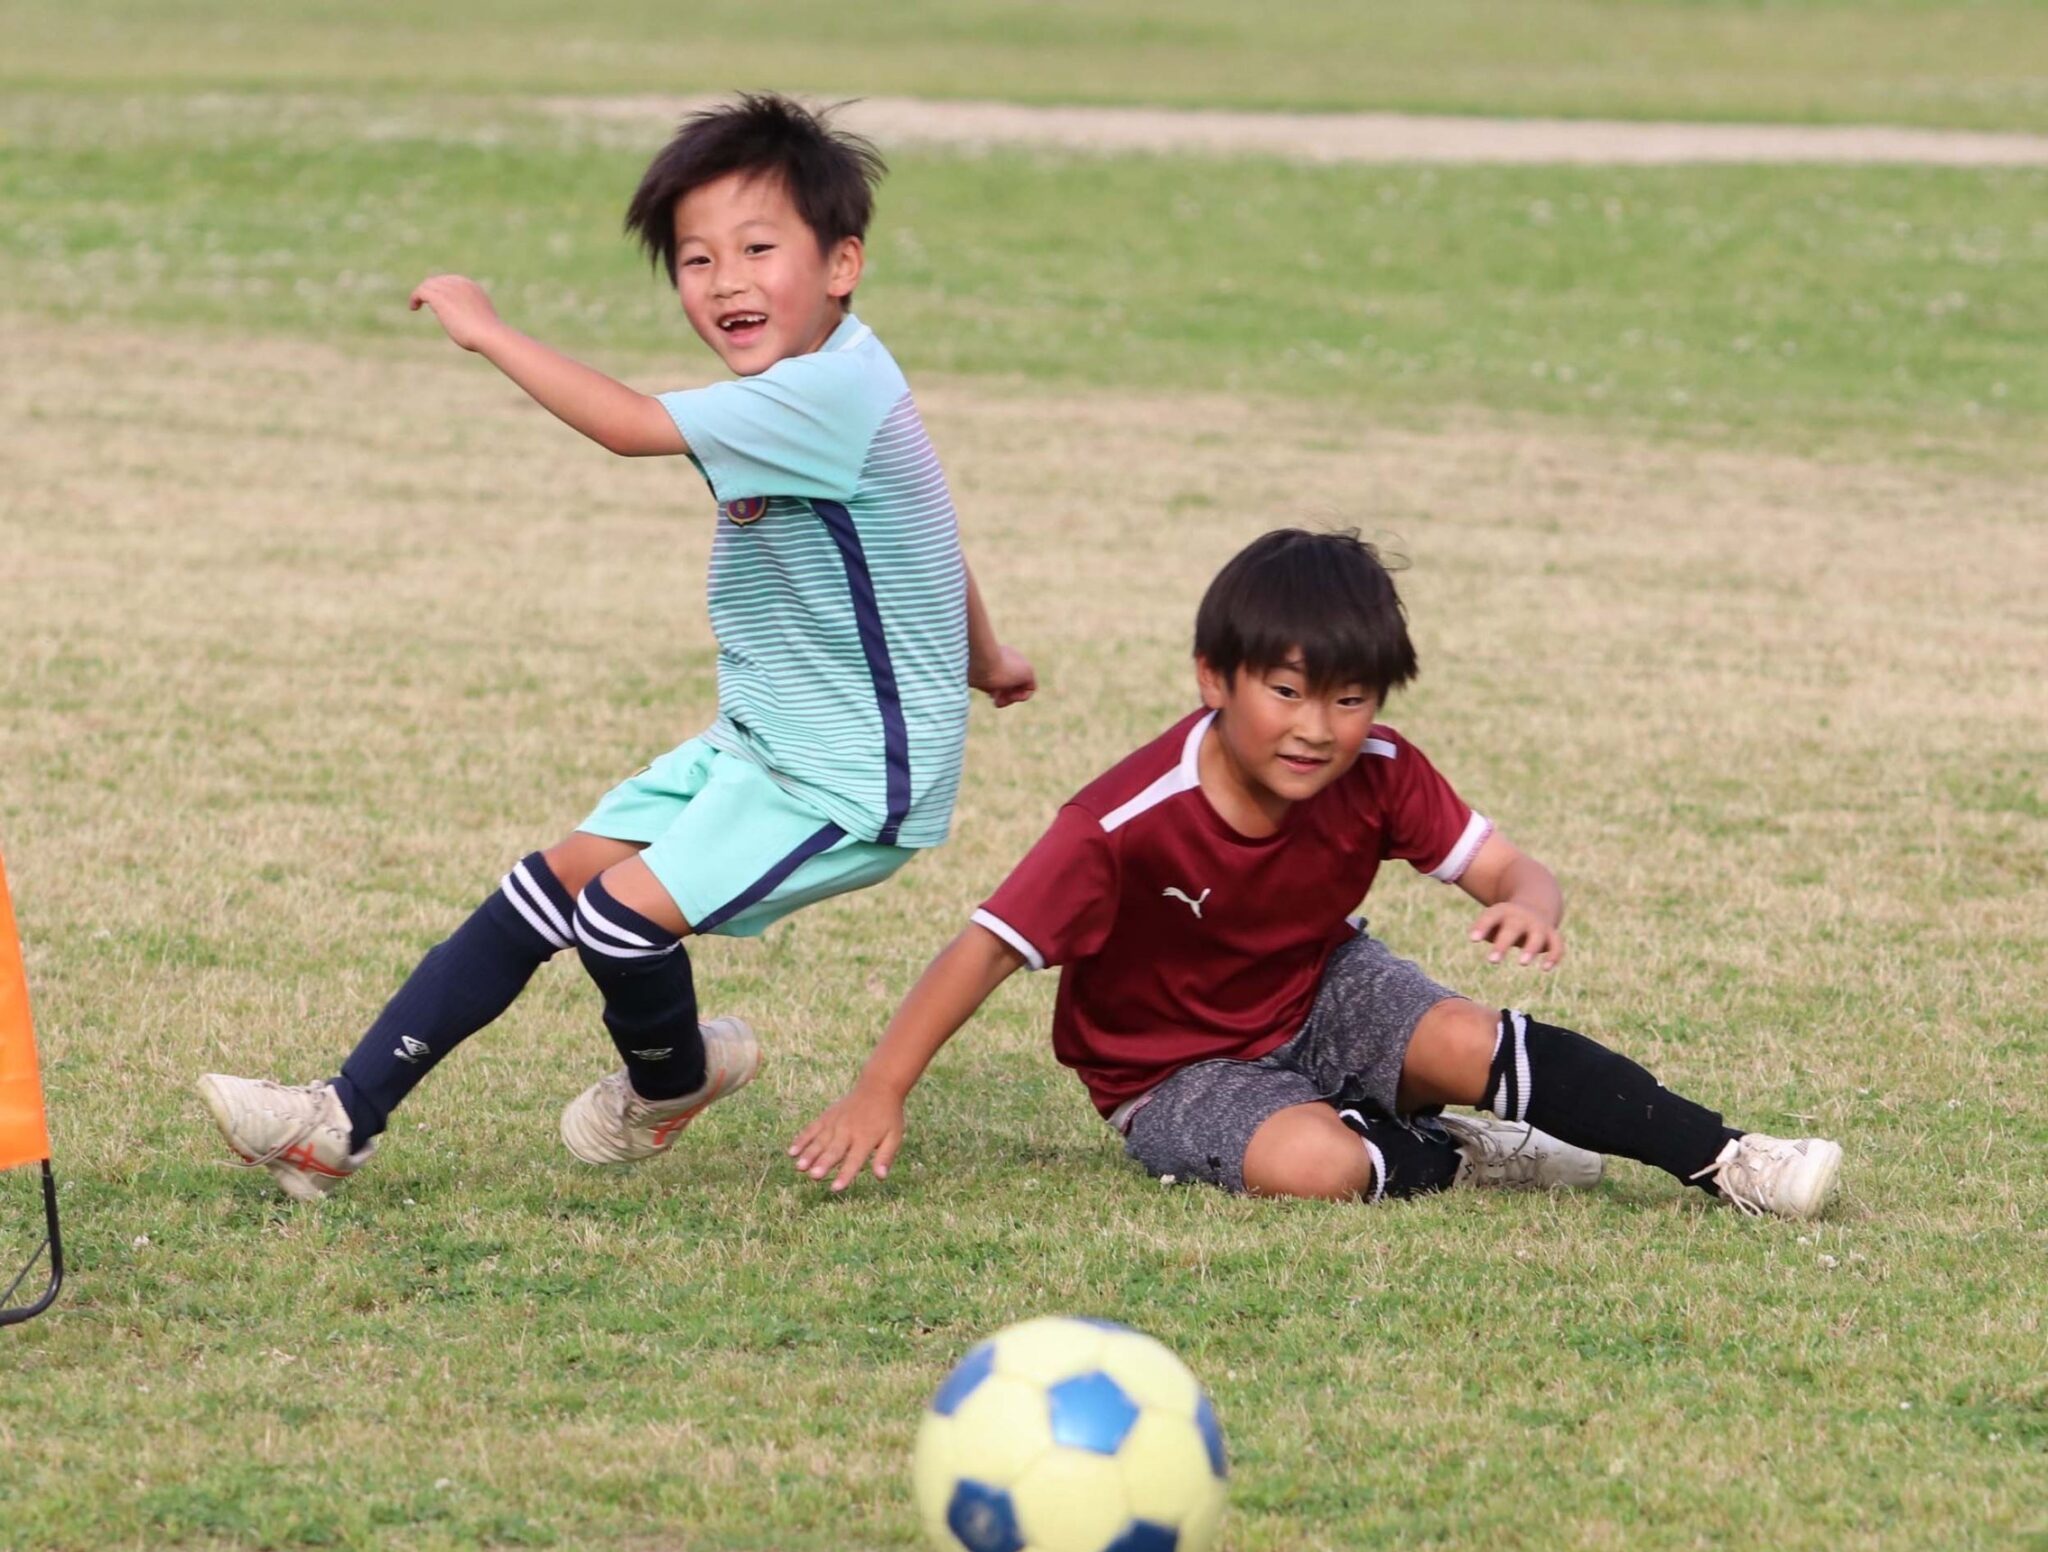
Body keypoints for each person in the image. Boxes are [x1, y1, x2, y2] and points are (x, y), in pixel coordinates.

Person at [201, 94, 1035, 1201]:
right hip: (762, 743)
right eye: (695, 260)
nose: (725, 280)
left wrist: (485, 328)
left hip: (847, 779)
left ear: (842, 264)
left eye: (757, 248)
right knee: (542, 886)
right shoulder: (811, 389)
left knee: (616, 917)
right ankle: (335, 1119)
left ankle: (673, 1080)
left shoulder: (824, 395)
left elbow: (628, 424)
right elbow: (924, 530)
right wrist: (984, 652)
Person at [790, 528, 1842, 1220]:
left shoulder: (1379, 771)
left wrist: (1529, 902)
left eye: (1349, 698)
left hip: (1317, 985)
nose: (1316, 728)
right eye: (1287, 691)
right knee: (1315, 1169)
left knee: (1473, 1034)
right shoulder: (1120, 824)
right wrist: (880, 1090)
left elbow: (1509, 867)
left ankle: (1729, 1160)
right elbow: (983, 949)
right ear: (1214, 678)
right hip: (1170, 1070)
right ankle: (1454, 1153)